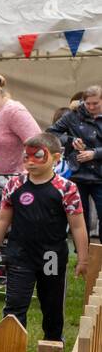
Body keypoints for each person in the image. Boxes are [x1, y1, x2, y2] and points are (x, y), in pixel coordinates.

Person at [0, 133, 88, 343]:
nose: (30, 162)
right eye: (26, 157)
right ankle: (11, 349)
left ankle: (53, 346)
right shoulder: (14, 185)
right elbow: (3, 218)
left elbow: (77, 224)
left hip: (51, 257)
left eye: (37, 157)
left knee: (52, 306)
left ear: (56, 158)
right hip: (20, 255)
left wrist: (83, 258)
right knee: (15, 305)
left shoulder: (66, 188)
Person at [48, 85, 102, 240]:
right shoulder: (73, 115)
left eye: (95, 104)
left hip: (100, 174)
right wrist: (71, 141)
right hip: (78, 174)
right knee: (79, 217)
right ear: (82, 102)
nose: (91, 107)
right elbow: (51, 132)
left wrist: (95, 153)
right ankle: (82, 256)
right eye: (88, 103)